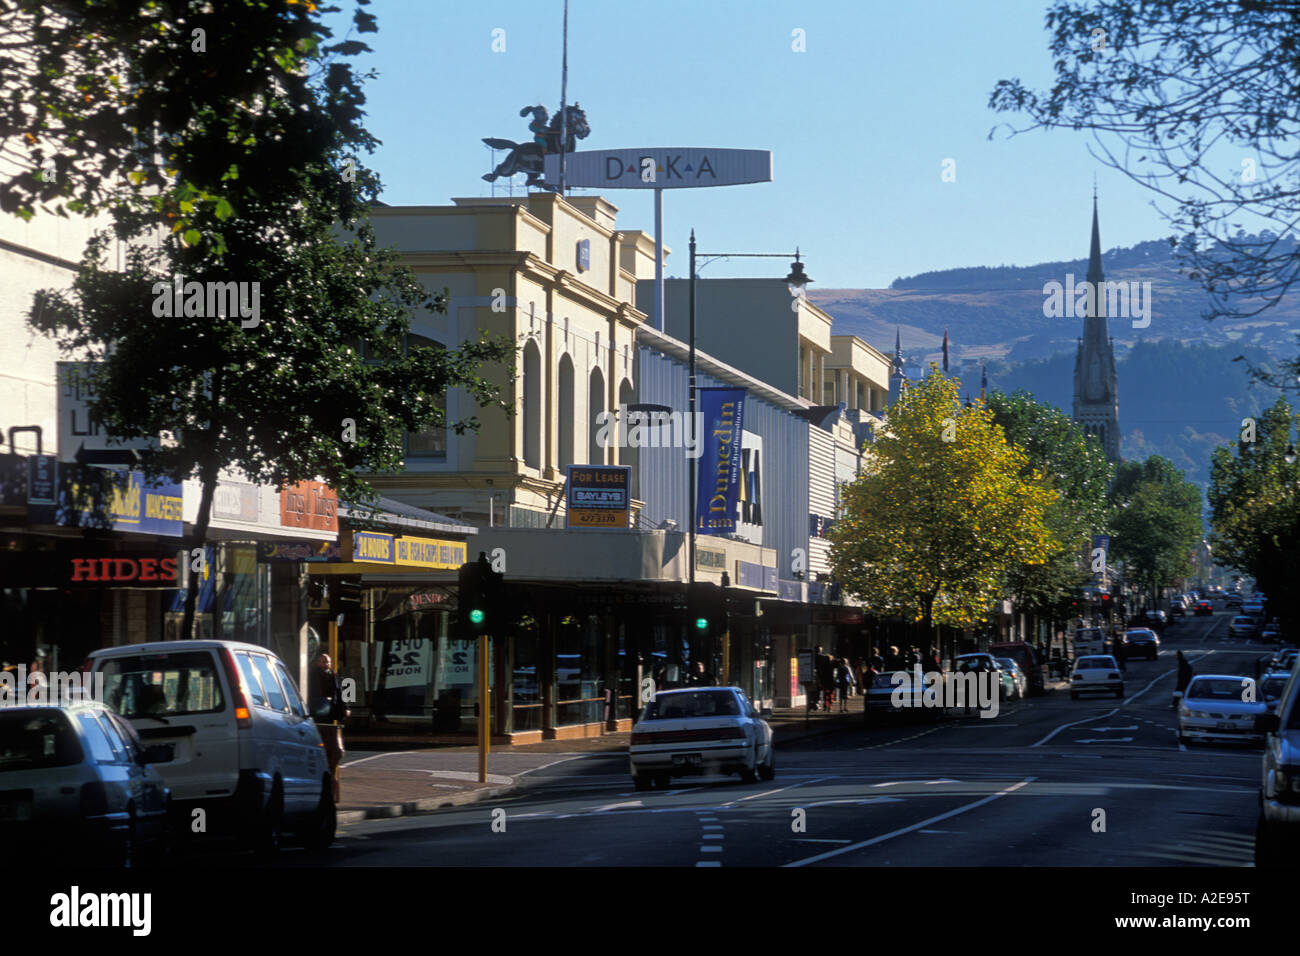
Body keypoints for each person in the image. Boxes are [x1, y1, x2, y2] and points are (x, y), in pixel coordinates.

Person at [309, 652, 348, 803]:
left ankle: (331, 790)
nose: (326, 663)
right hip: (317, 720)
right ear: (317, 662)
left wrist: (345, 709)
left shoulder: (335, 676)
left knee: (336, 752)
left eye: (328, 661)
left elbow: (342, 694)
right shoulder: (312, 676)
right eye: (323, 661)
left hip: (331, 719)